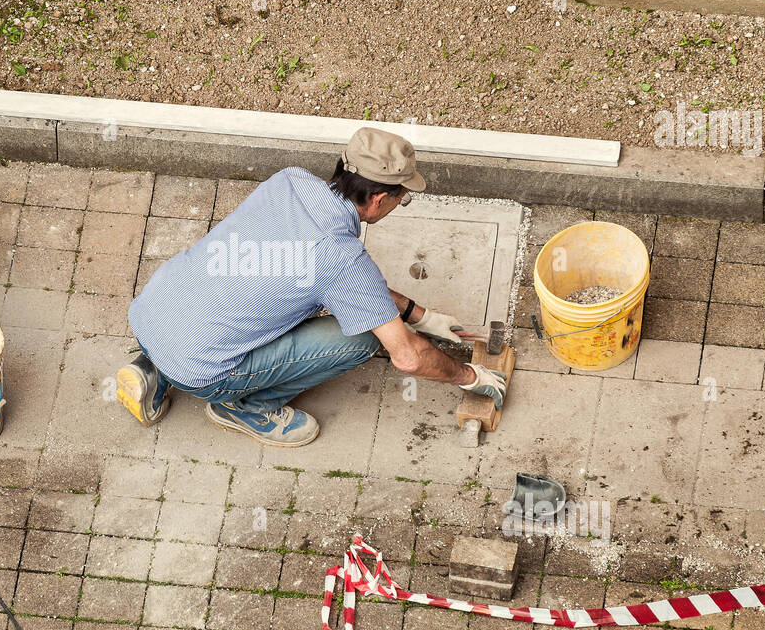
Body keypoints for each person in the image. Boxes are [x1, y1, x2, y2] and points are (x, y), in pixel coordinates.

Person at [116, 127, 507, 447]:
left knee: (235, 296)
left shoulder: (289, 182)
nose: (397, 205)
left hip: (153, 312)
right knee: (365, 340)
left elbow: (357, 289)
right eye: (401, 199)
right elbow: (406, 357)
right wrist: (470, 377)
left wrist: (422, 316)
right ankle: (243, 407)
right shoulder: (340, 258)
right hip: (204, 370)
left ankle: (152, 367)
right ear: (379, 199)